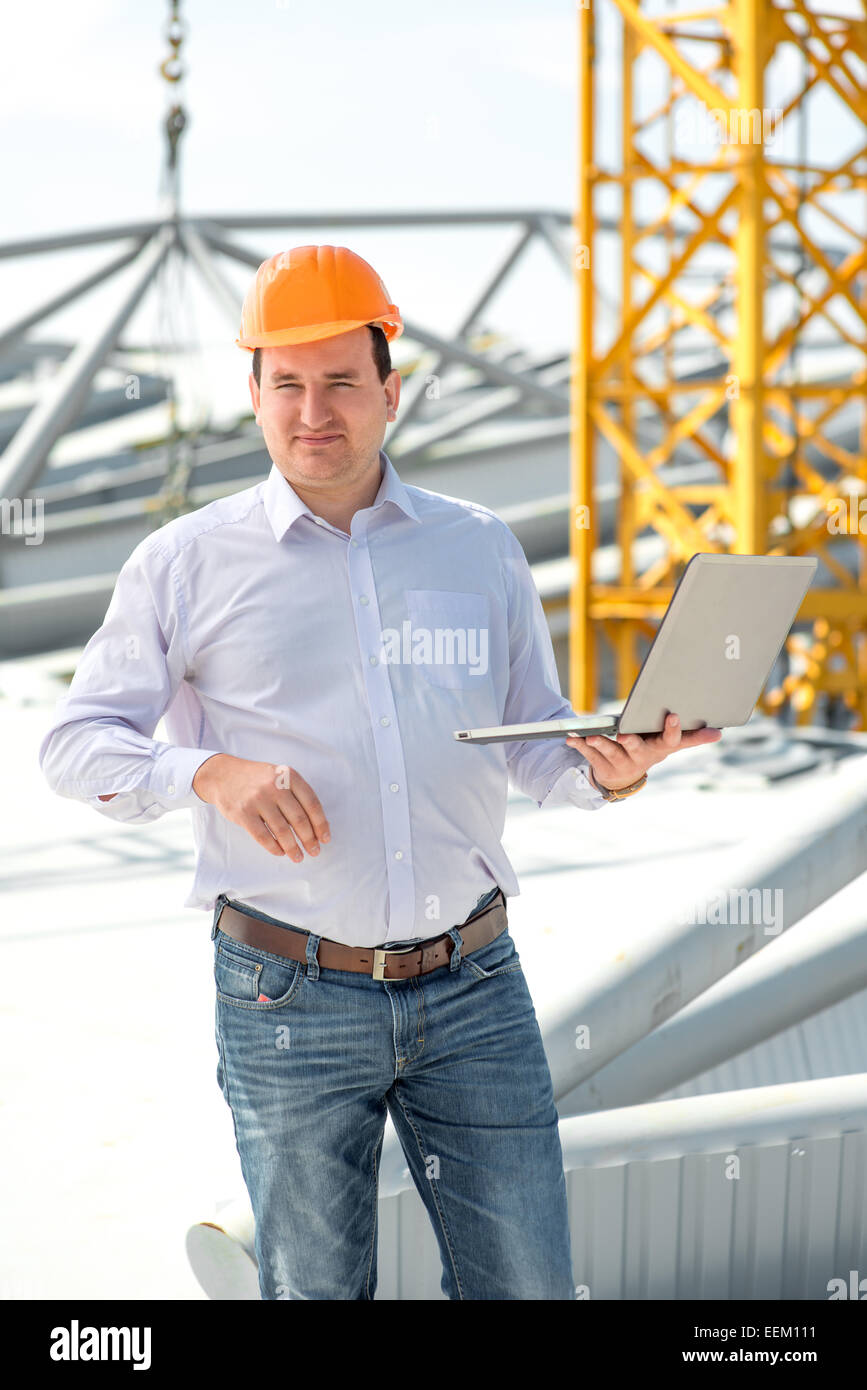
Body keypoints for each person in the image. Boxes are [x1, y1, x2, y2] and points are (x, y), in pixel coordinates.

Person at [38, 244, 721, 1300]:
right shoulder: (184, 564)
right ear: (253, 394)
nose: (317, 410)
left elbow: (537, 744)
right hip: (289, 997)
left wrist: (619, 768)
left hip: (475, 986)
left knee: (529, 1288)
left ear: (390, 392)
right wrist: (208, 770)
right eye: (290, 384)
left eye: (343, 382)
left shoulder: (479, 549)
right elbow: (74, 746)